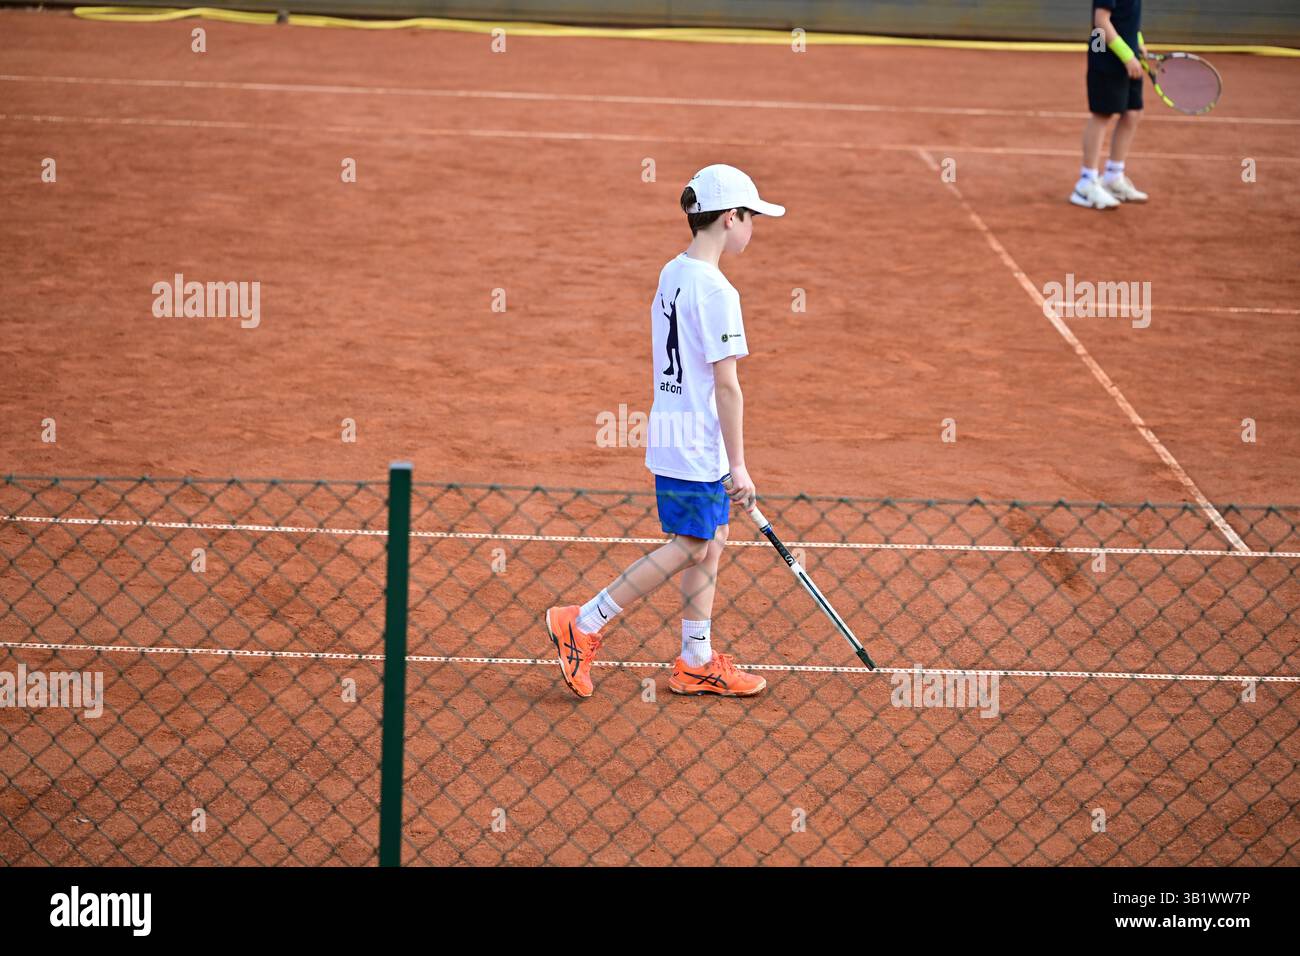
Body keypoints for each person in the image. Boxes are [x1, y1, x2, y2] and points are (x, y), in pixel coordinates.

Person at [545, 164, 784, 699]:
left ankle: (696, 659)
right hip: (697, 440)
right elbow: (728, 387)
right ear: (730, 218)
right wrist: (739, 465)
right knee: (692, 544)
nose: (755, 228)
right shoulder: (720, 292)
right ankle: (582, 621)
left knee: (712, 541)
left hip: (677, 431)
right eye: (752, 217)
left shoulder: (672, 271)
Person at [1071, 0, 1151, 209]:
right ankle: (1086, 183)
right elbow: (1101, 21)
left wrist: (1138, 41)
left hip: (1127, 55)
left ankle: (1114, 178)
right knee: (1102, 114)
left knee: (1133, 113)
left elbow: (1126, 16)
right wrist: (1127, 56)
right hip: (1106, 57)